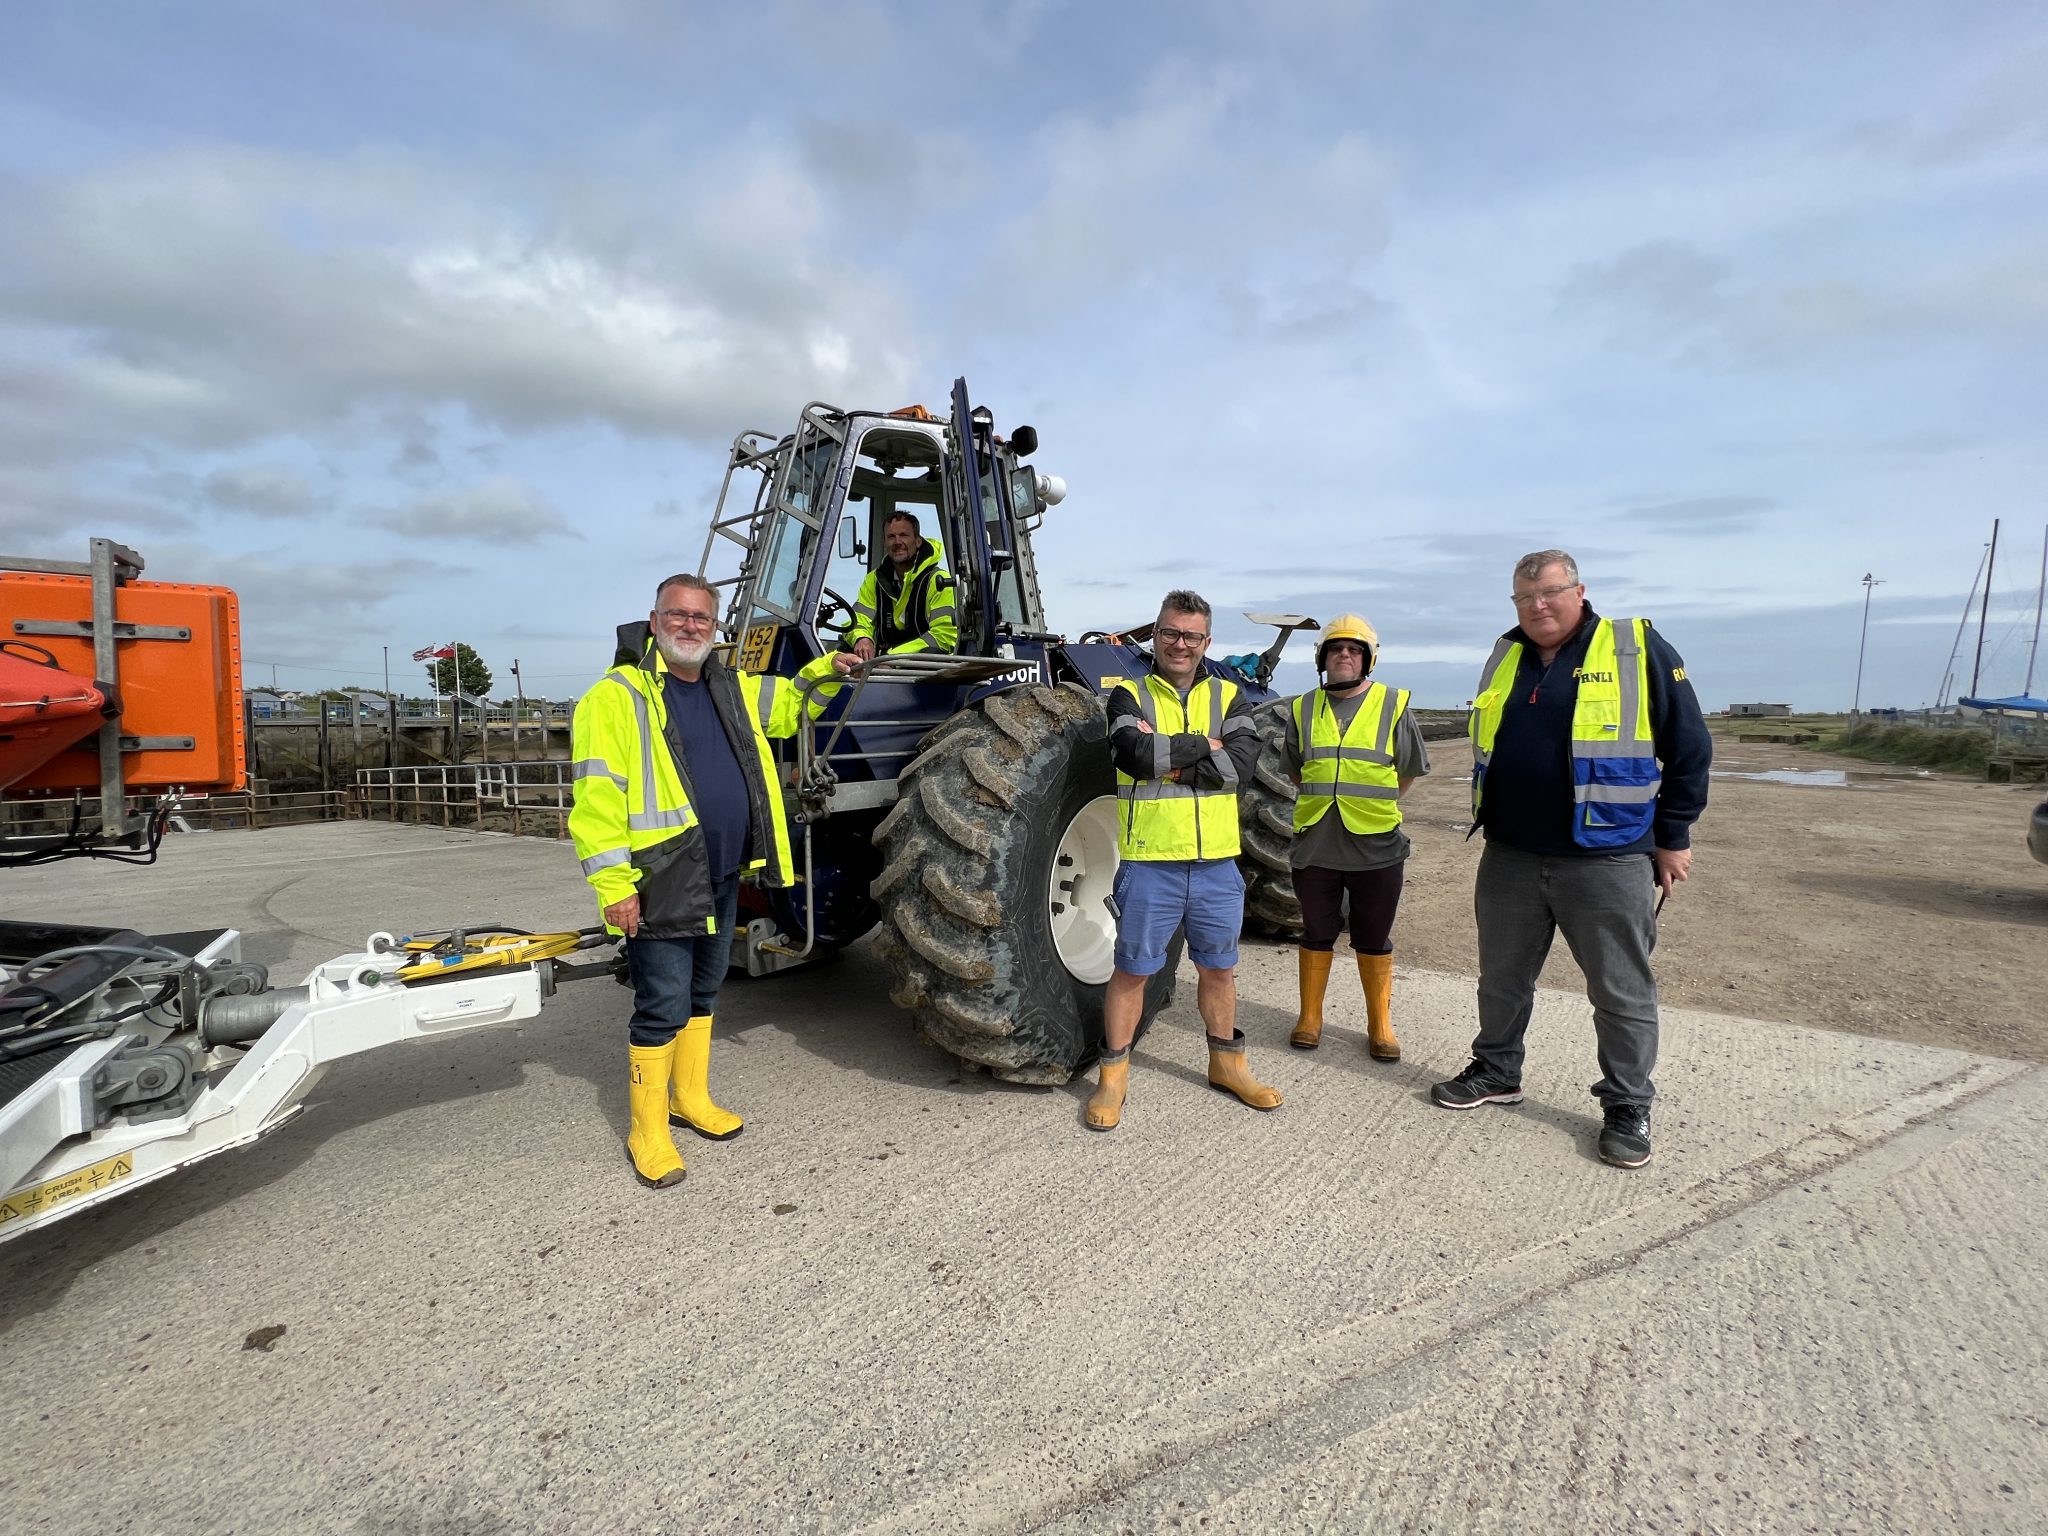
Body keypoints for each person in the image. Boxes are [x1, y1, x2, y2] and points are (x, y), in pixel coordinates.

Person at [1431, 549, 1711, 1169]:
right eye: (1524, 597)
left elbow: (1689, 746)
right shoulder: (1506, 656)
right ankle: (1497, 1070)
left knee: (1620, 990)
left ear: (1579, 592)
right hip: (1511, 852)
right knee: (1501, 978)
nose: (1538, 606)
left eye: (1550, 593)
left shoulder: (1634, 647)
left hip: (1608, 856)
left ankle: (1627, 1104)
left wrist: (1675, 835)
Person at [569, 573, 804, 1189]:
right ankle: (647, 1129)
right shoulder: (615, 697)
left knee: (703, 992)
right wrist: (614, 887)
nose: (690, 626)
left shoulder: (732, 688)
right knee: (660, 1005)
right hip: (661, 879)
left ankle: (689, 1098)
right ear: (654, 621)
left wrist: (841, 664)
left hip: (721, 873)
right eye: (678, 616)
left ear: (716, 628)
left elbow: (795, 700)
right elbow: (595, 803)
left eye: (702, 618)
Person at [1086, 589, 1279, 1129]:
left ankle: (1226, 1064)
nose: (1180, 644)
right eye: (1170, 632)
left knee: (1219, 970)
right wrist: (1205, 748)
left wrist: (1171, 755)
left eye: (1191, 636)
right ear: (1155, 634)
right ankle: (1113, 1078)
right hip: (1151, 861)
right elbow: (1134, 754)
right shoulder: (1128, 694)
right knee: (1132, 971)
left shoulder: (1231, 697)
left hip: (1217, 864)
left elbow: (1241, 764)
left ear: (1207, 642)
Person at [1280, 613, 1429, 1059]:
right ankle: (1310, 1018)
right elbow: (1292, 768)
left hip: (1376, 843)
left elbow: (1407, 773)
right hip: (1316, 841)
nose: (1344, 654)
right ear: (1322, 658)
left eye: (1354, 649)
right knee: (1316, 931)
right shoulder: (1302, 708)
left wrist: (1367, 802)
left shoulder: (1393, 704)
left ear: (1368, 659)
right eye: (1336, 648)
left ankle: (1380, 1026)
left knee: (1373, 935)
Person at [845, 510, 956, 660]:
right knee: (843, 651)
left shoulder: (938, 579)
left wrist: (892, 659)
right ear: (885, 543)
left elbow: (944, 636)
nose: (897, 542)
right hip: (883, 666)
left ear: (918, 541)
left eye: (904, 535)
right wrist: (862, 638)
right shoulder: (874, 579)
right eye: (891, 537)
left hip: (925, 671)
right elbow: (858, 619)